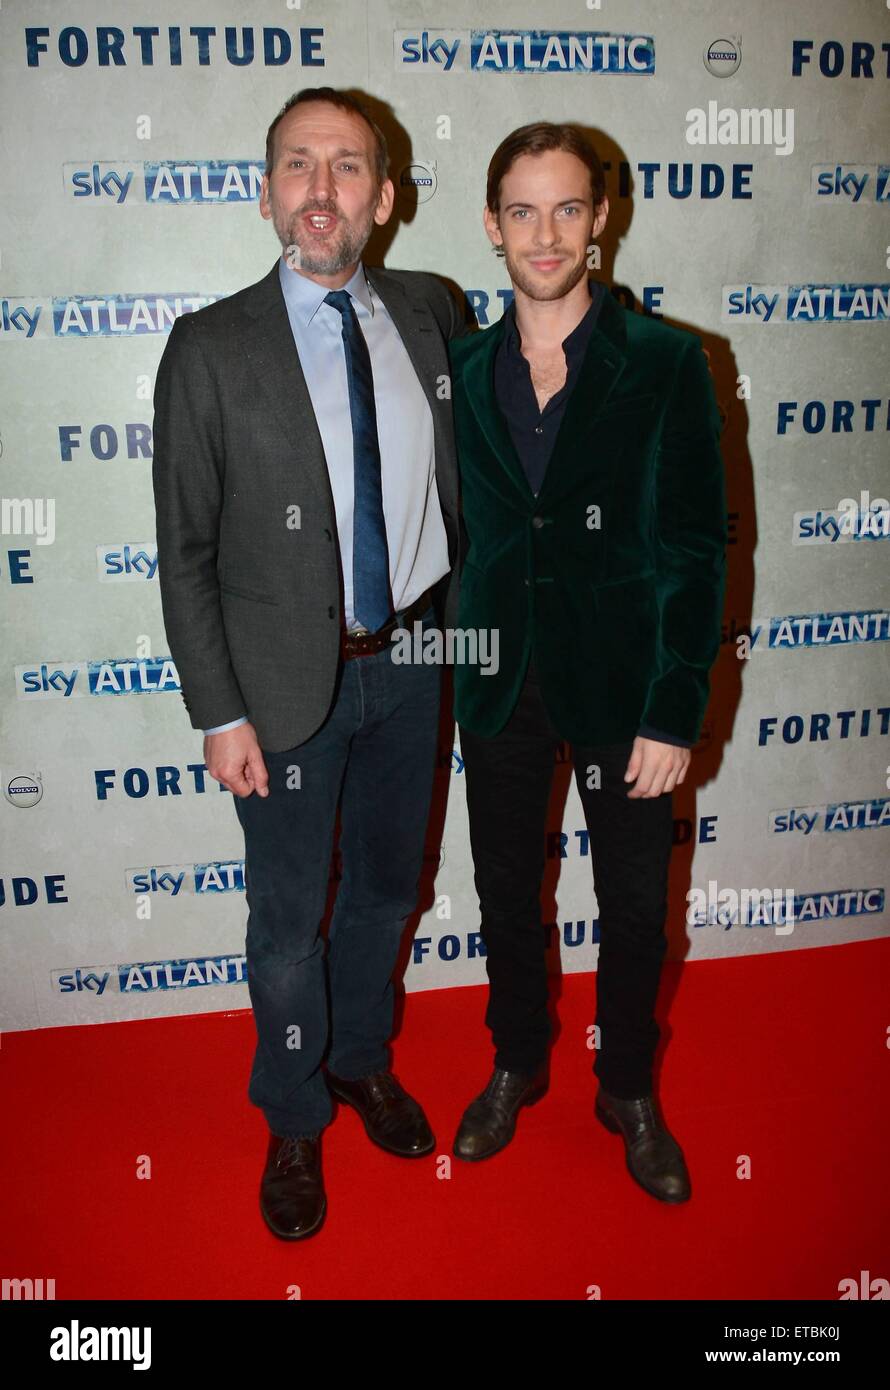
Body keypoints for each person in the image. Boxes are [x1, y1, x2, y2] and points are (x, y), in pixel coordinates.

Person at [152, 86, 467, 1240]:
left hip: (415, 661)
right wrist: (217, 708)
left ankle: (357, 1060)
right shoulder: (209, 345)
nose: (320, 188)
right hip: (283, 689)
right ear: (268, 189)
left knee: (388, 889)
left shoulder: (433, 312)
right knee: (287, 924)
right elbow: (183, 550)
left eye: (346, 167)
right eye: (297, 164)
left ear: (385, 199)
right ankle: (292, 1115)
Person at [447, 122, 727, 1203]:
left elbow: (695, 547)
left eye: (567, 207)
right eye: (522, 211)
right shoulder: (462, 369)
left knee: (633, 908)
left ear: (599, 218)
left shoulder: (667, 363)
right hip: (500, 687)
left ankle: (625, 1088)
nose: (545, 233)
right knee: (506, 891)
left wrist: (672, 709)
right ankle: (516, 1060)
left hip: (624, 691)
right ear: (490, 226)